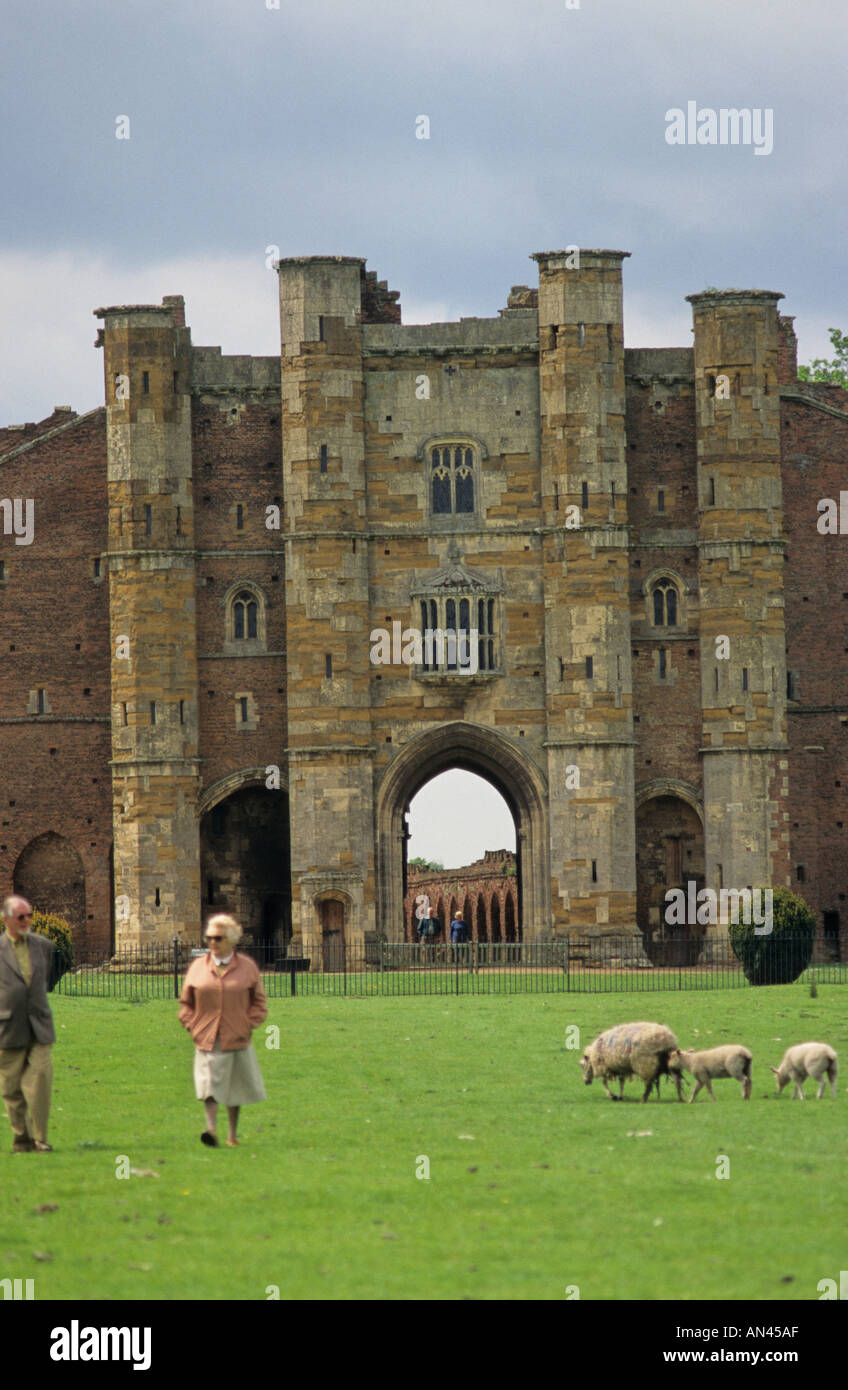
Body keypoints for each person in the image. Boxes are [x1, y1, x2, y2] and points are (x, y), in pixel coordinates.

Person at [178, 914, 268, 1148]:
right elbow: (186, 1003)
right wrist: (193, 1025)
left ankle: (232, 1135)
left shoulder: (246, 967)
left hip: (235, 1036)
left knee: (233, 1088)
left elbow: (259, 1003)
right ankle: (211, 1129)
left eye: (218, 938)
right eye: (209, 938)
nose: (212, 943)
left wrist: (247, 1024)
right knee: (208, 1086)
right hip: (206, 1036)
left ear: (231, 939)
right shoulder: (198, 967)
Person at [0, 895, 57, 1153]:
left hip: (40, 1024)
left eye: (29, 915)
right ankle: (21, 1139)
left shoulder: (43, 946)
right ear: (6, 919)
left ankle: (40, 1138)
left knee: (40, 1078)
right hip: (8, 1026)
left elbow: (47, 978)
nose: (27, 921)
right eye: (21, 917)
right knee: (12, 1088)